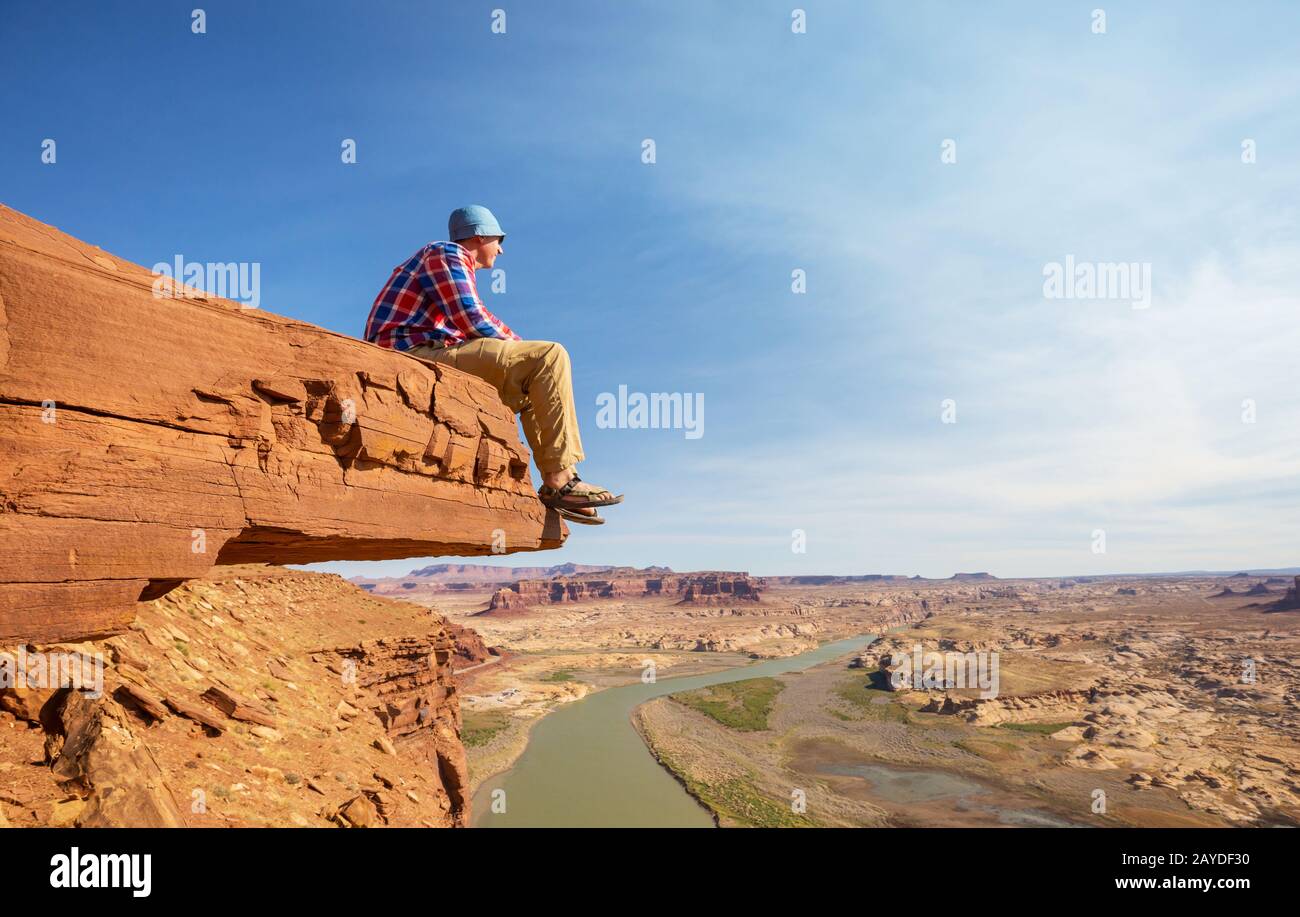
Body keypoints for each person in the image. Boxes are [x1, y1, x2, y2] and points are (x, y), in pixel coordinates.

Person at [364, 204, 621, 525]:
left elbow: (462, 324)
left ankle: (561, 482)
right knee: (549, 356)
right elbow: (471, 318)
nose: (500, 249)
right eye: (498, 240)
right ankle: (561, 480)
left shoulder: (443, 261)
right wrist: (522, 348)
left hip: (418, 354)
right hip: (410, 357)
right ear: (479, 235)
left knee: (532, 391)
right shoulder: (447, 253)